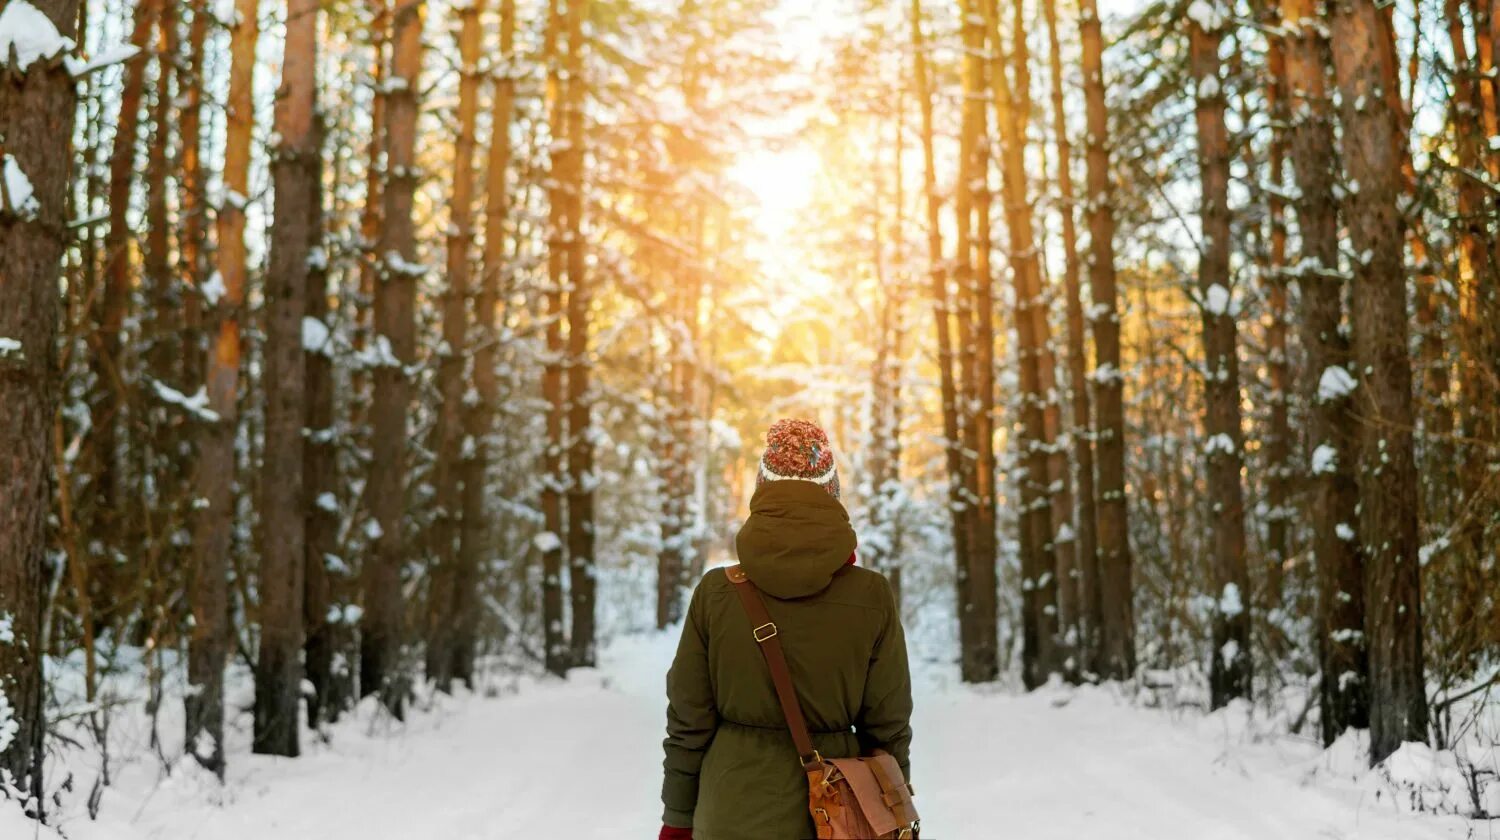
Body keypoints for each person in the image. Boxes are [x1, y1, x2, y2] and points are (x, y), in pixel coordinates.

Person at [658, 419, 914, 840]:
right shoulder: (871, 597)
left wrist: (677, 819)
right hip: (837, 819)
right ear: (832, 493)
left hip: (729, 815)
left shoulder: (717, 593)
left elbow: (688, 723)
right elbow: (889, 729)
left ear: (762, 490)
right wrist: (892, 817)